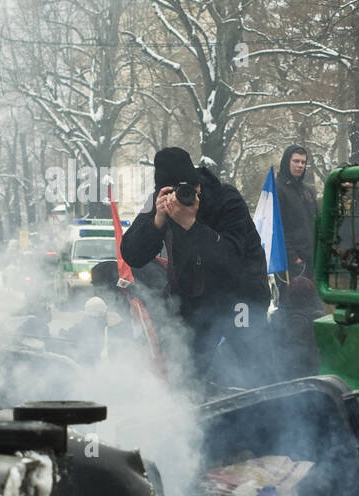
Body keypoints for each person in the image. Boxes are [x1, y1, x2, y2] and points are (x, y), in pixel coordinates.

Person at [120, 147, 268, 384]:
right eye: (171, 192)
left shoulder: (226, 199)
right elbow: (131, 254)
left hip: (242, 295)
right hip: (194, 298)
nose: (181, 198)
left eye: (189, 190)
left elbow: (231, 261)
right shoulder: (160, 203)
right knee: (187, 373)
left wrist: (191, 224)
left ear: (198, 185)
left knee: (249, 370)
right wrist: (157, 221)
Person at [275, 144, 318, 280]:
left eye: (303, 162)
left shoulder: (307, 191)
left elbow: (314, 222)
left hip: (312, 259)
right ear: (287, 161)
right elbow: (276, 228)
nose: (300, 165)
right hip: (291, 264)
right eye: (296, 161)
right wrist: (293, 258)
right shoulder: (277, 189)